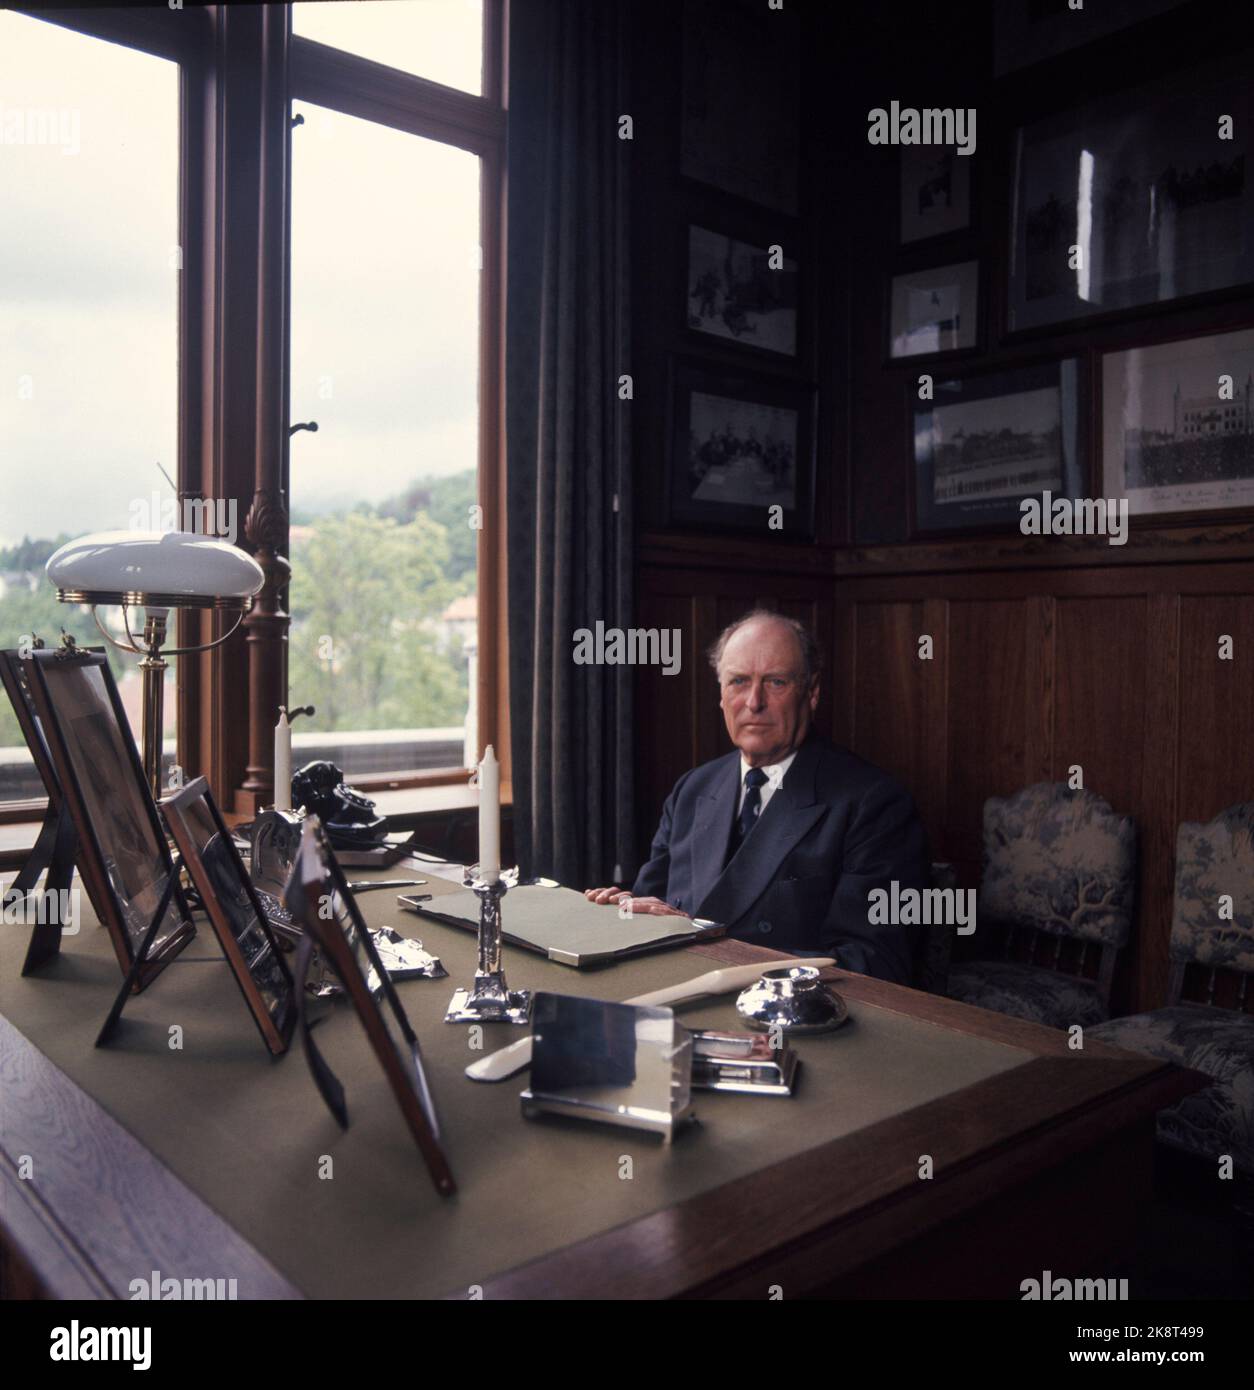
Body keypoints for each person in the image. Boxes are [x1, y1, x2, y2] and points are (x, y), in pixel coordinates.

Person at [584, 609, 931, 984]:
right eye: (738, 681)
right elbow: (651, 910)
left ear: (812, 693)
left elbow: (874, 964)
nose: (754, 702)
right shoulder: (692, 789)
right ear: (720, 695)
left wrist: (704, 946)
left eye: (776, 682)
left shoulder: (874, 803)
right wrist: (621, 913)